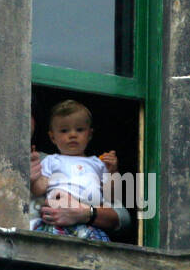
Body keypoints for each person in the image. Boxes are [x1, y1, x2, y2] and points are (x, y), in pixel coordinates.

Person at [28, 100, 126, 241]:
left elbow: (111, 198)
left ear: (90, 134)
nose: (72, 135)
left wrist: (113, 172)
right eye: (64, 130)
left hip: (90, 225)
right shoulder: (51, 161)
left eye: (79, 129)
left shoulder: (97, 164)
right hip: (57, 221)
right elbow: (39, 188)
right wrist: (33, 179)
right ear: (52, 137)